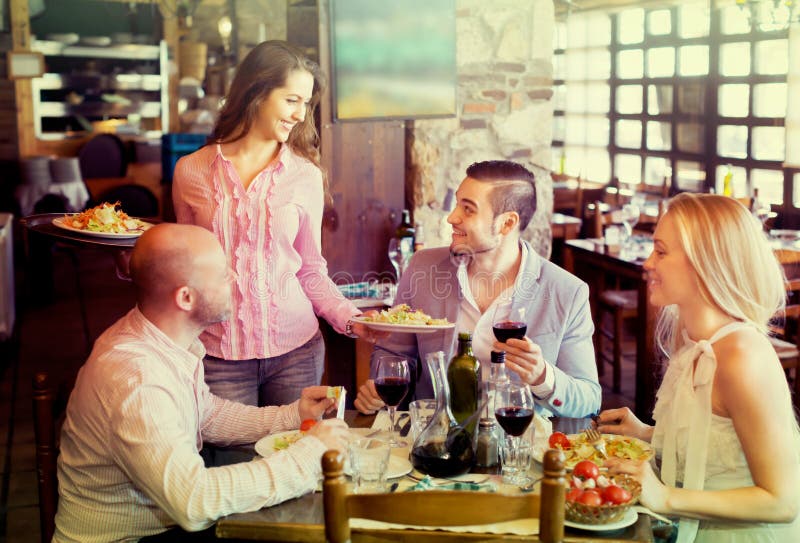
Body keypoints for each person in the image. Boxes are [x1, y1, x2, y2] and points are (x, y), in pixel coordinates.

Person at [54, 224, 350, 542]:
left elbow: (206, 415)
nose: (235, 278)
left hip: (166, 527)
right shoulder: (138, 379)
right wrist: (308, 456)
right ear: (185, 297)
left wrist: (292, 416)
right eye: (223, 274)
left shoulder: (163, 337)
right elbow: (195, 500)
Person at [172, 40, 377, 409]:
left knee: (295, 458)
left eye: (306, 103)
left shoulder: (305, 176)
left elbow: (310, 270)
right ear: (257, 92)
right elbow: (182, 269)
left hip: (296, 355)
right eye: (291, 100)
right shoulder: (191, 171)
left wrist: (352, 320)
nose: (301, 114)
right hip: (219, 356)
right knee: (233, 463)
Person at [596, 193, 800, 542]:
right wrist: (647, 434)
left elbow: (784, 500)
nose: (647, 262)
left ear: (706, 262)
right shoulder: (688, 336)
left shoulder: (742, 355)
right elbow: (717, 442)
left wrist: (665, 496)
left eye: (660, 251)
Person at [354, 160, 600, 418]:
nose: (452, 217)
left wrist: (542, 375)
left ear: (506, 224)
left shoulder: (568, 292)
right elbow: (393, 352)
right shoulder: (422, 267)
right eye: (457, 203)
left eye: (468, 209)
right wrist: (380, 385)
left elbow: (589, 399)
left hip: (516, 442)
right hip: (436, 440)